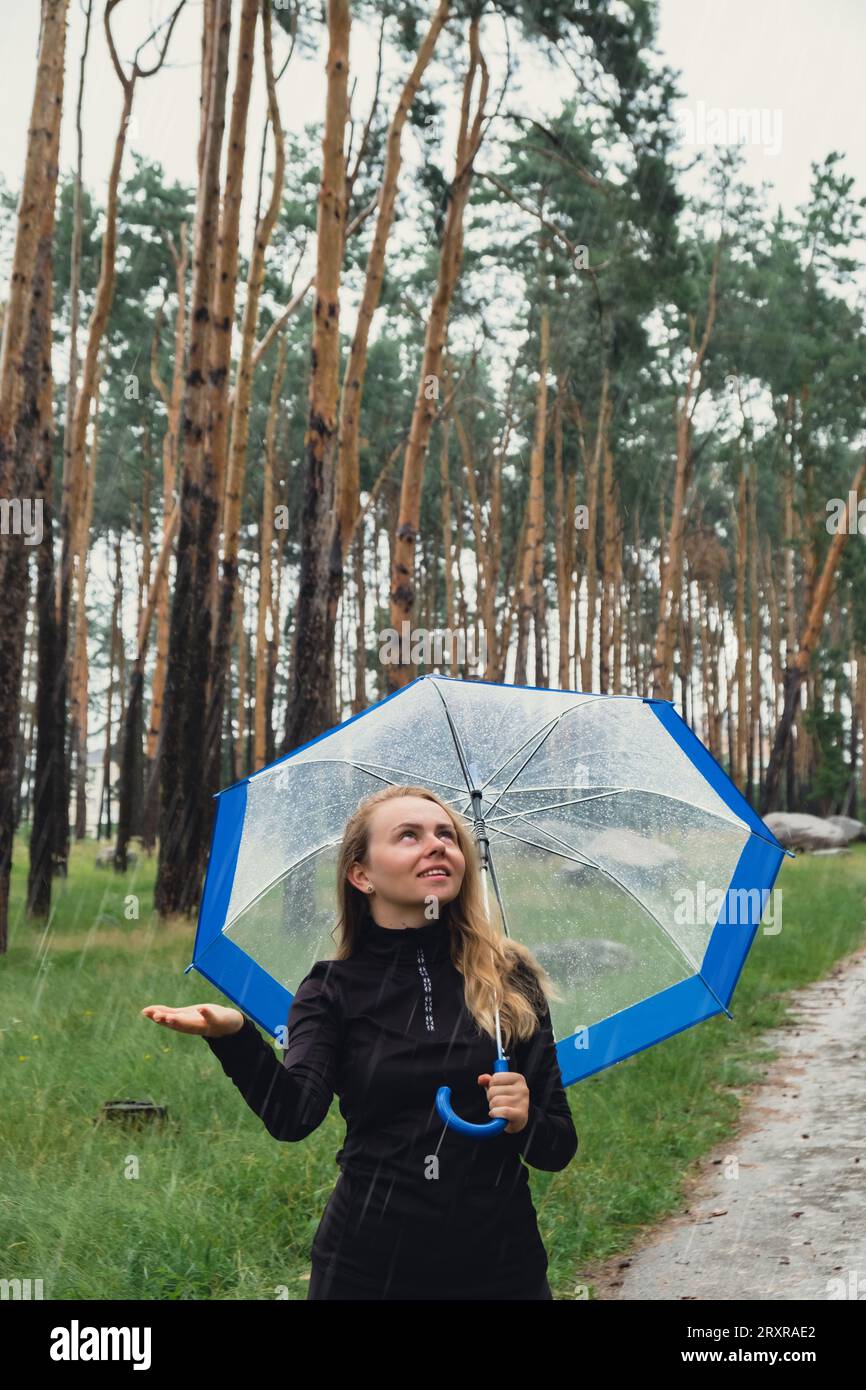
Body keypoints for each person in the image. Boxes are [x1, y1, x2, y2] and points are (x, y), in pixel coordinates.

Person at [142, 783, 578, 1300]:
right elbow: (293, 1116)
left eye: (446, 835)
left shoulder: (510, 977)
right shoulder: (331, 989)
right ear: (361, 874)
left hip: (501, 1267)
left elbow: (558, 1148)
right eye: (409, 836)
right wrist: (234, 1036)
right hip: (369, 1270)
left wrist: (526, 1120)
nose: (436, 845)